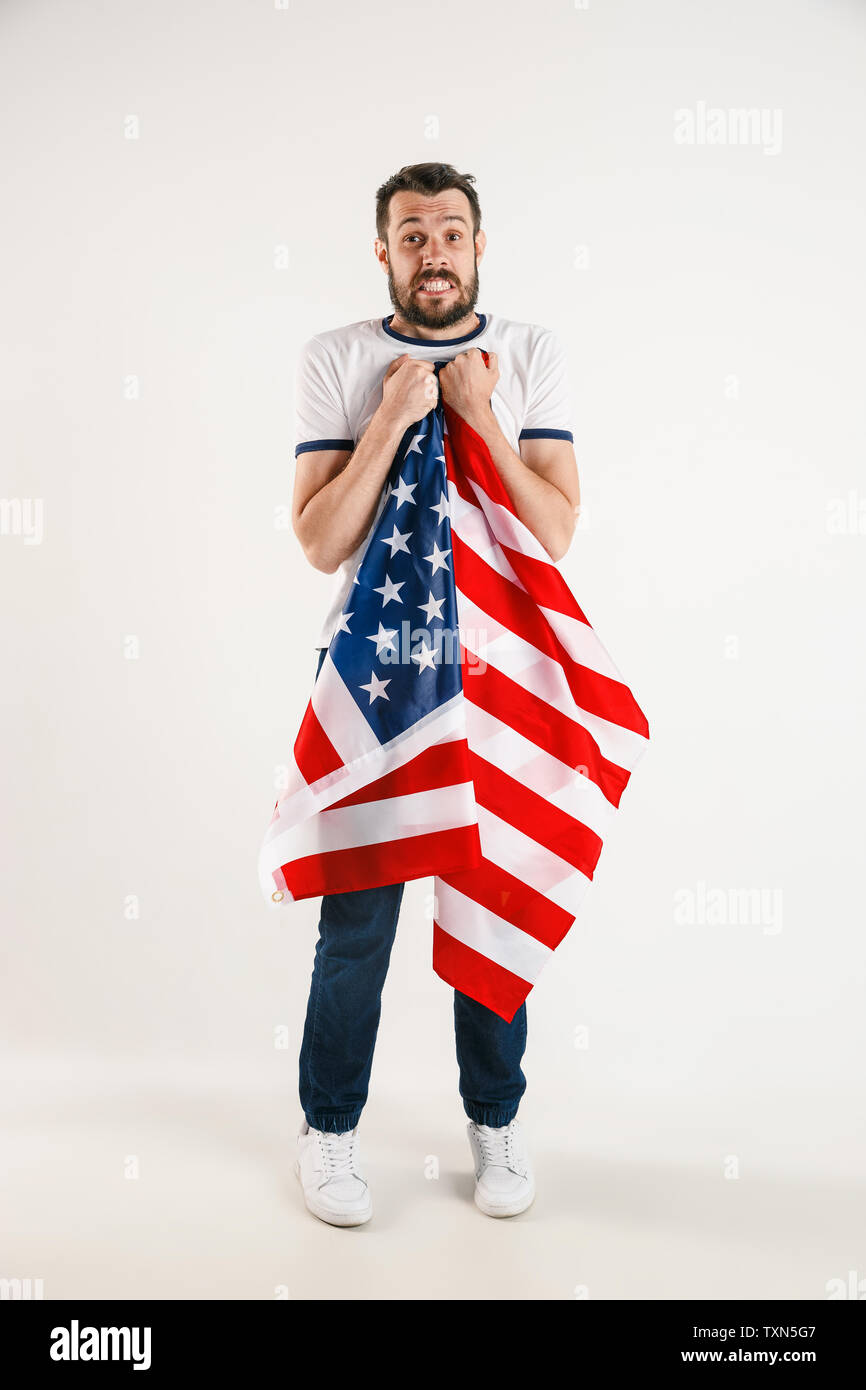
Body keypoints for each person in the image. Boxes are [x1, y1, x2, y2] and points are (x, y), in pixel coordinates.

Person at [289, 162, 581, 1226]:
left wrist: (475, 412)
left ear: (478, 245)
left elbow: (551, 528)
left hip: (501, 674)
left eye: (449, 232)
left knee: (491, 910)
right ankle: (327, 1133)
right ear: (383, 252)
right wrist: (389, 418)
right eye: (410, 235)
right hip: (377, 674)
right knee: (357, 919)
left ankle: (493, 1121)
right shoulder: (340, 358)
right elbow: (320, 539)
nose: (432, 252)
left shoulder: (529, 353)